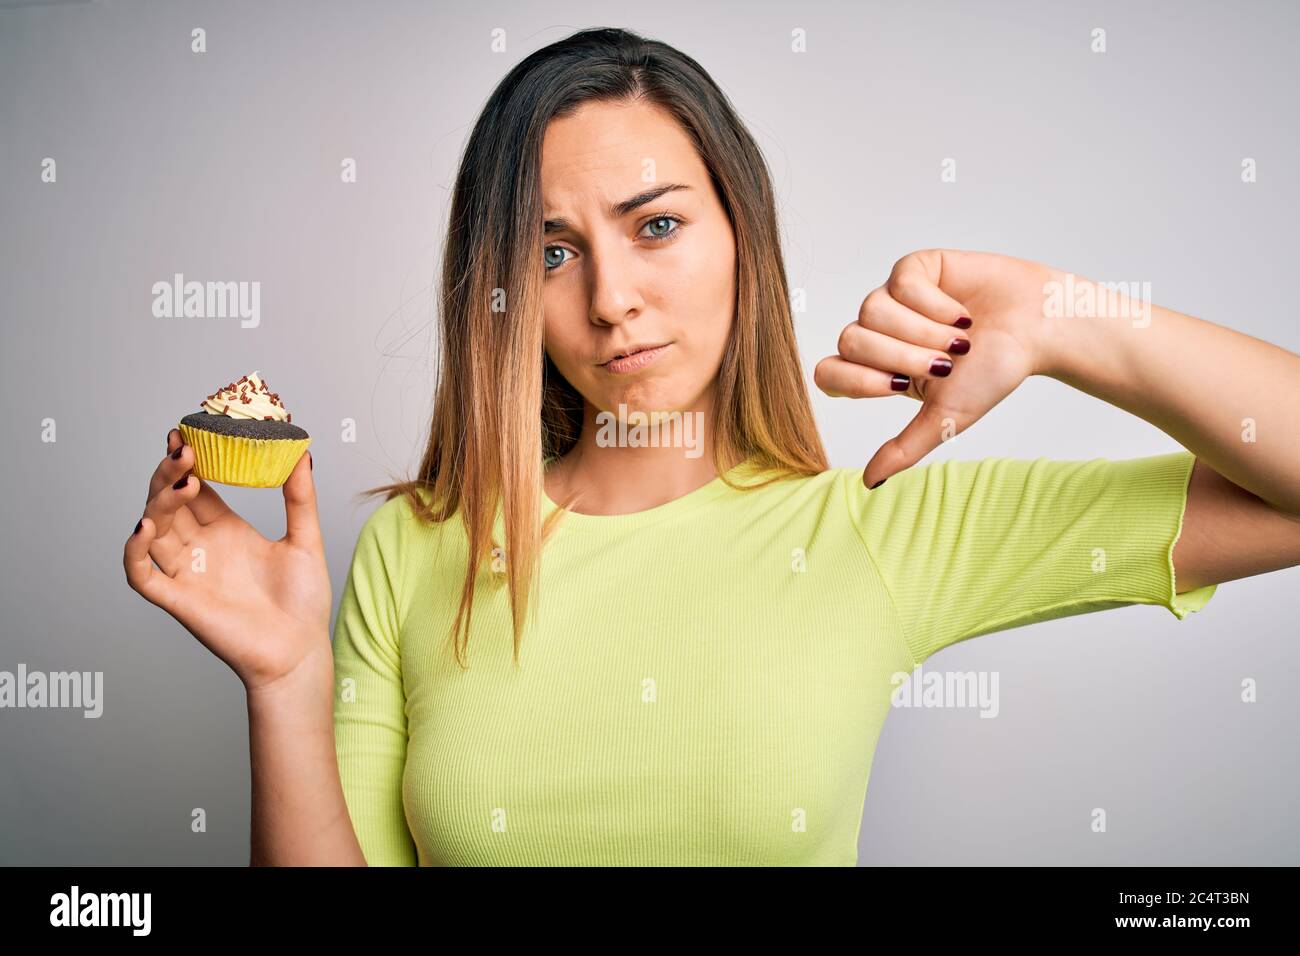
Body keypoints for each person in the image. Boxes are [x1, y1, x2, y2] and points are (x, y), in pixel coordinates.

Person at [123, 27, 1300, 866]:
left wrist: (1057, 314)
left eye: (658, 226)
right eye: (550, 252)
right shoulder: (415, 549)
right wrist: (284, 684)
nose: (612, 298)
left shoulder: (874, 534)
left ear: (744, 233)